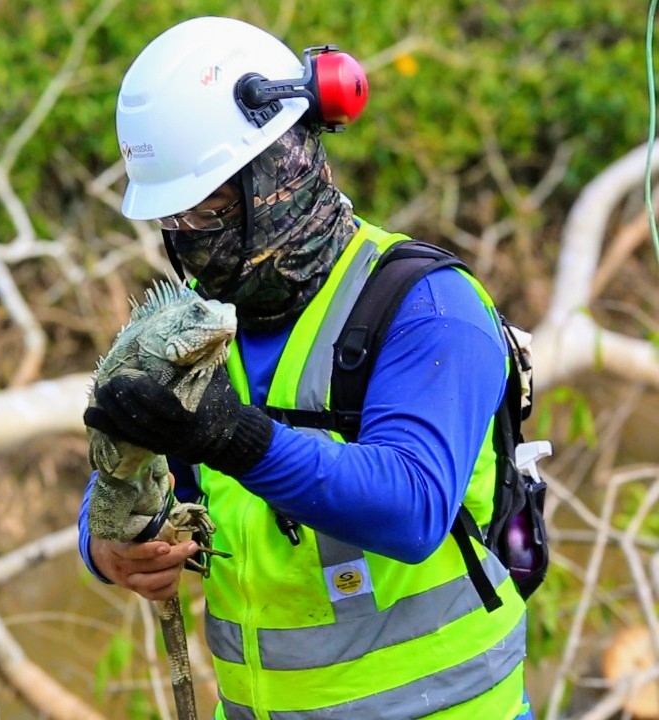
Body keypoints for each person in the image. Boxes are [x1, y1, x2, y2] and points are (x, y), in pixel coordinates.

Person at [78, 17, 534, 720]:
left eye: (212, 209)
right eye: (175, 220)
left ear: (278, 172)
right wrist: (108, 545)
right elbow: (135, 468)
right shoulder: (201, 320)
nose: (191, 239)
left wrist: (235, 439)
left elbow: (412, 508)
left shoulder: (428, 306)